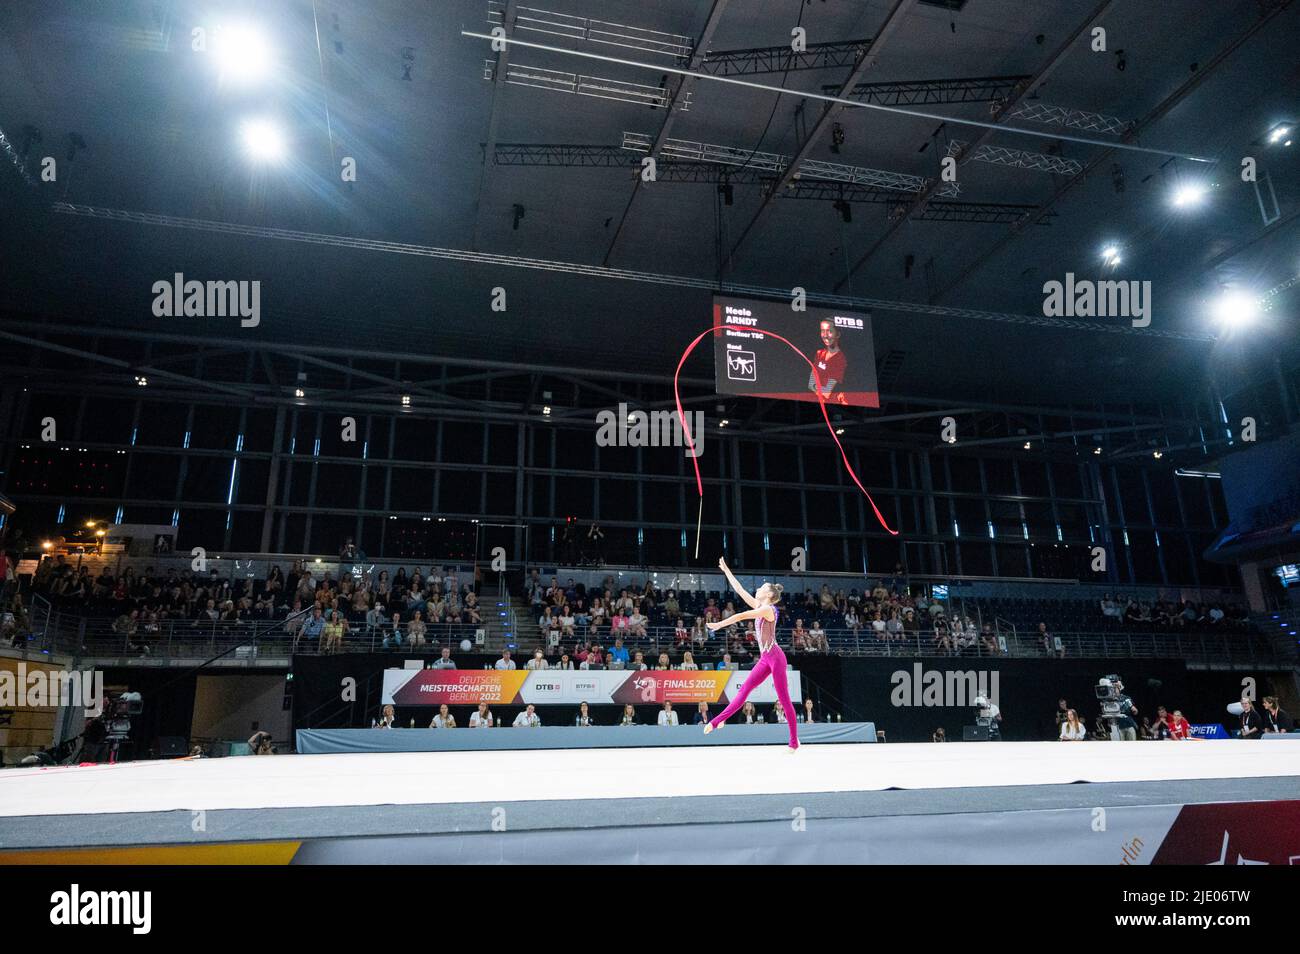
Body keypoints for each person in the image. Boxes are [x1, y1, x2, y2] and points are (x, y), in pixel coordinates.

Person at [702, 558, 799, 750]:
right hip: (765, 658)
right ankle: (717, 721)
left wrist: (719, 625)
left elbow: (740, 616)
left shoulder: (769, 609)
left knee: (784, 699)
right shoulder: (759, 606)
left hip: (777, 658)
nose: (759, 588)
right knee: (744, 689)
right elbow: (739, 590)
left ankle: (794, 742)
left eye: (763, 587)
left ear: (769, 594)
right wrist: (727, 571)